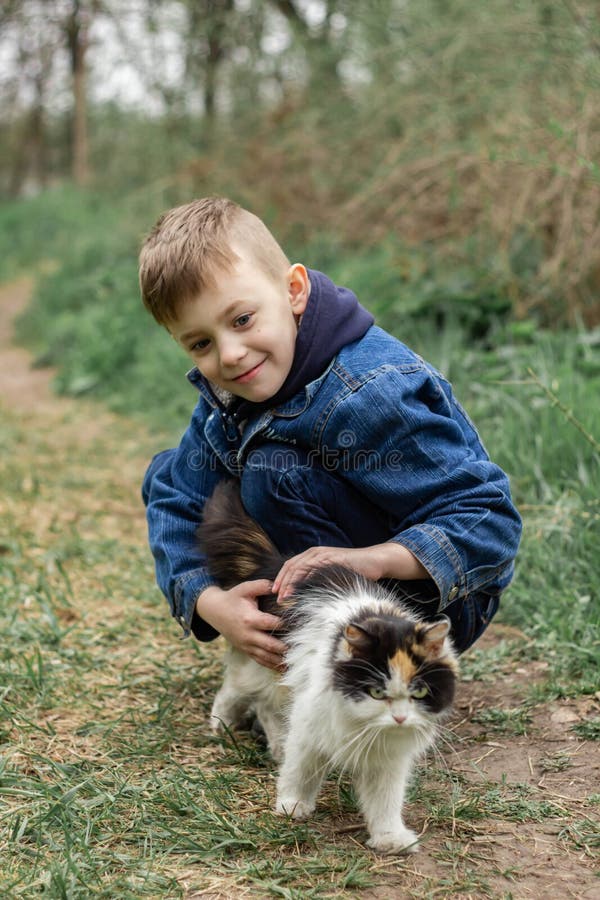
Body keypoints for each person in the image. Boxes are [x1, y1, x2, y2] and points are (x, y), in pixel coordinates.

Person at [139, 197, 522, 671]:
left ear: (294, 290)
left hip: (436, 603)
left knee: (274, 472)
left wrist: (371, 559)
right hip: (327, 571)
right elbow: (177, 497)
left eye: (242, 320)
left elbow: (489, 519)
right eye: (202, 343)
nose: (231, 354)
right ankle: (290, 632)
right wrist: (210, 603)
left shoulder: (370, 391)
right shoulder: (229, 395)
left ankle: (354, 658)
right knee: (170, 472)